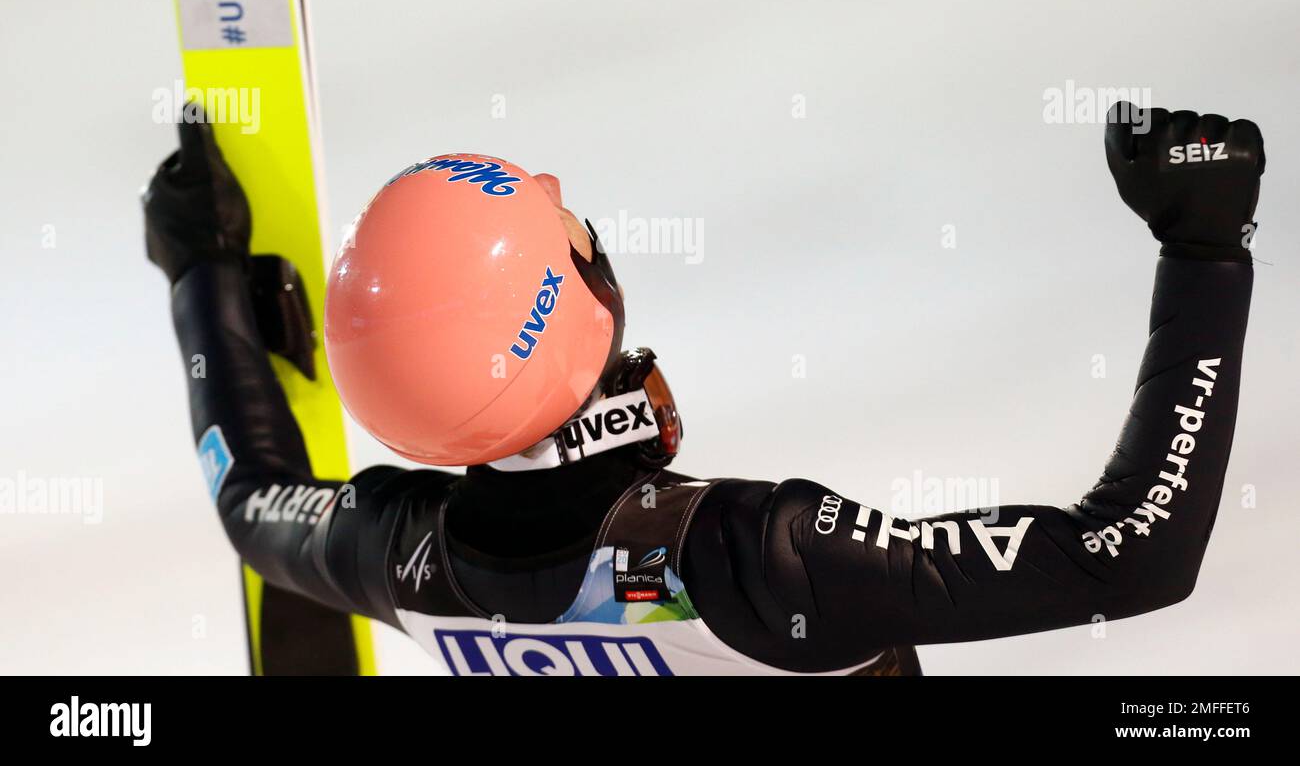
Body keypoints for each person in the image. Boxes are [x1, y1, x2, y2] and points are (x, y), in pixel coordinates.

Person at [143, 104, 1264, 676]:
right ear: (576, 303)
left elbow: (249, 499)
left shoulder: (400, 554)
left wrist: (204, 284)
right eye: (577, 241)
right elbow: (1136, 548)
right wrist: (1205, 253)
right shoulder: (745, 552)